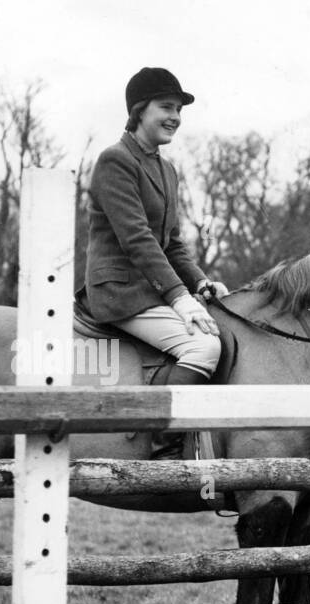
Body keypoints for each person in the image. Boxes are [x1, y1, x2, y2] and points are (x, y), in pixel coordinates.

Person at [84, 66, 227, 457]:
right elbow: (138, 240)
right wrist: (181, 299)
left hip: (152, 290)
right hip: (120, 291)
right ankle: (164, 444)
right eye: (167, 107)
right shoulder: (115, 161)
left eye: (179, 109)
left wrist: (199, 283)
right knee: (204, 349)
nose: (175, 117)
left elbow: (172, 244)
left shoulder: (167, 169)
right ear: (139, 110)